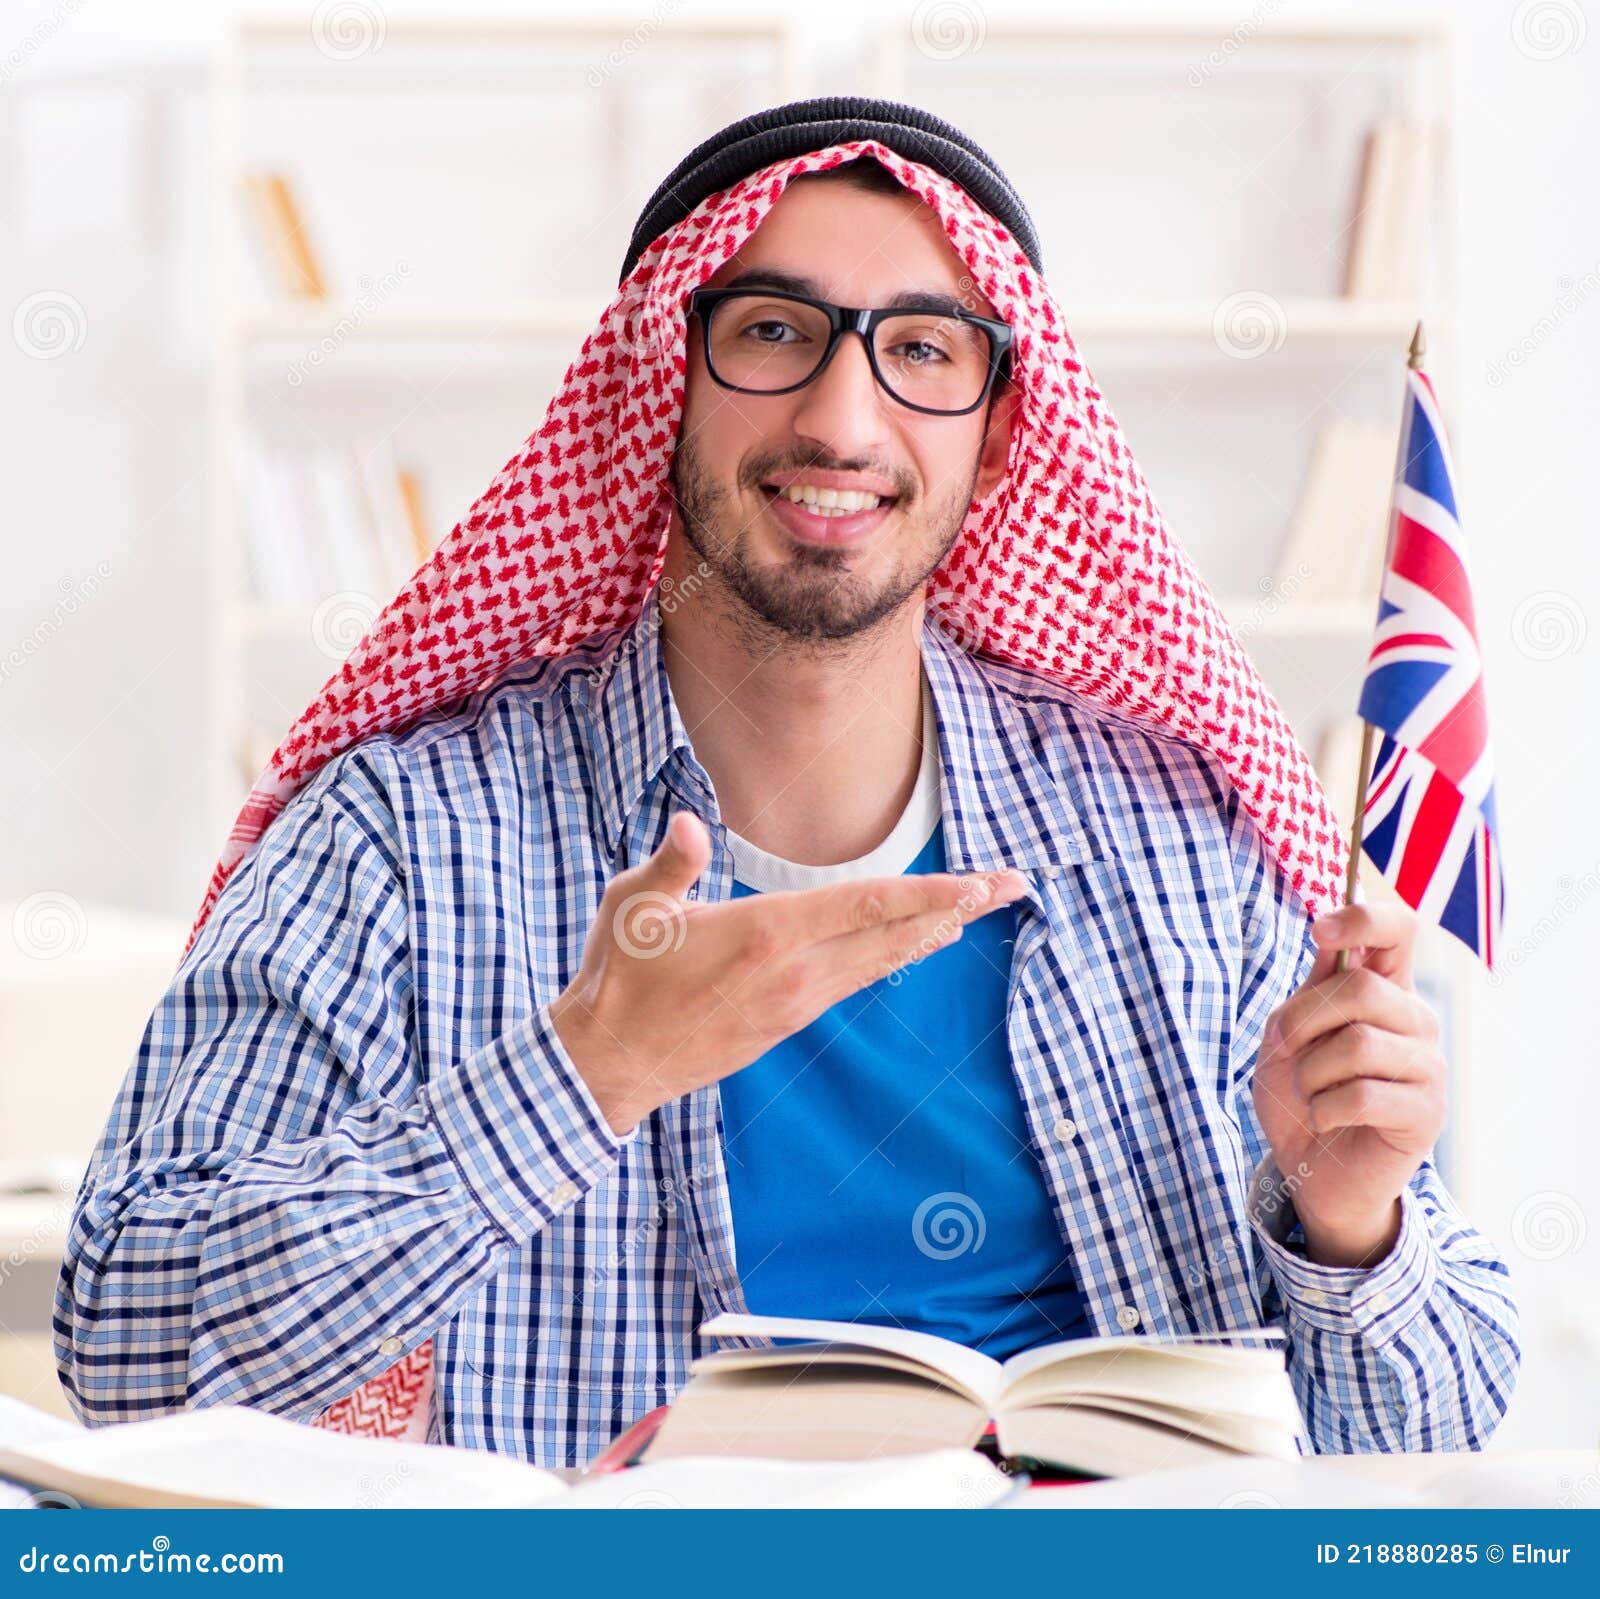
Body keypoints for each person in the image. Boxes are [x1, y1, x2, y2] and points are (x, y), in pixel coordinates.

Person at [55, 99, 1518, 1468]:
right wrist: (580, 1077)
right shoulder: (395, 842)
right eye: (774, 333)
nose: (841, 421)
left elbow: (1437, 1446)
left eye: (925, 351)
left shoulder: (1177, 844)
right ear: (658, 388)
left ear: (1003, 429)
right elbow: (123, 1350)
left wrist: (1348, 1228)